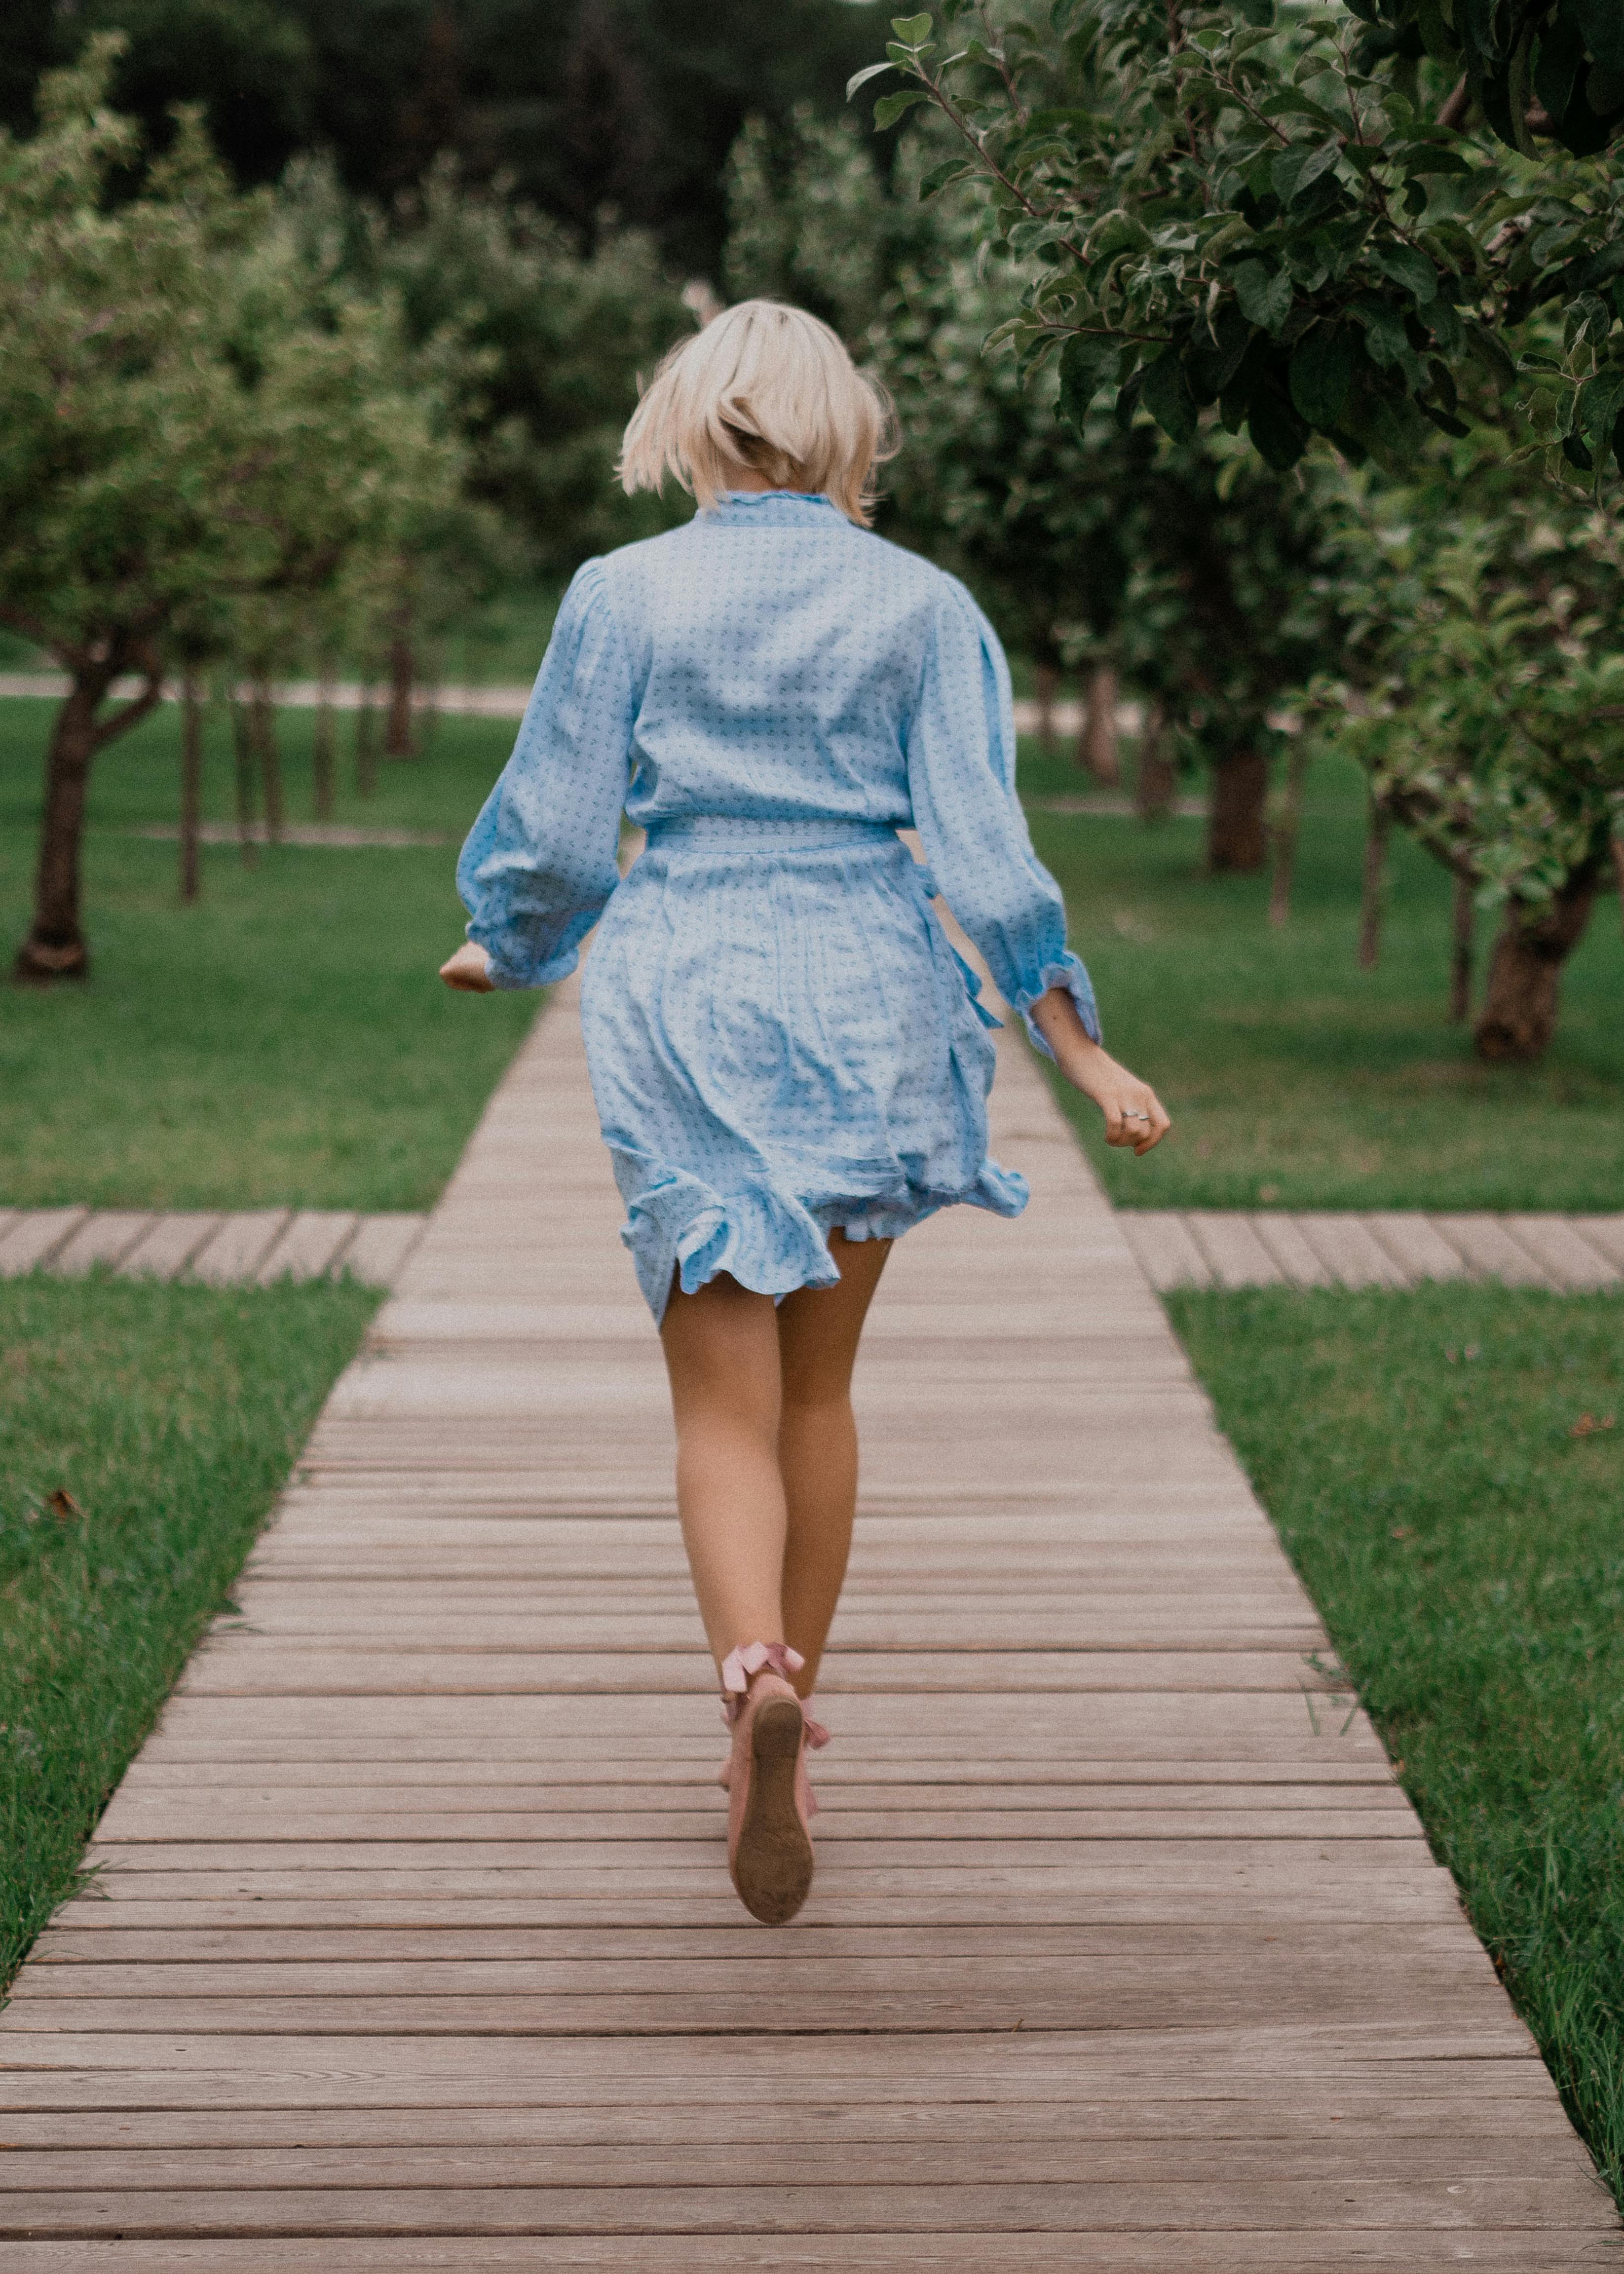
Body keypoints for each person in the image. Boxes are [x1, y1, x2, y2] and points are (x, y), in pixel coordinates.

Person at [442, 301, 1169, 1925]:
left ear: (689, 428)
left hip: (690, 980)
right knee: (819, 1394)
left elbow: (560, 819)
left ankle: (742, 1677)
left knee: (718, 1399)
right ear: (849, 430)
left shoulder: (622, 593)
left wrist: (512, 940)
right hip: (865, 991)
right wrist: (1082, 1050)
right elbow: (986, 861)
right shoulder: (923, 607)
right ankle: (791, 1730)